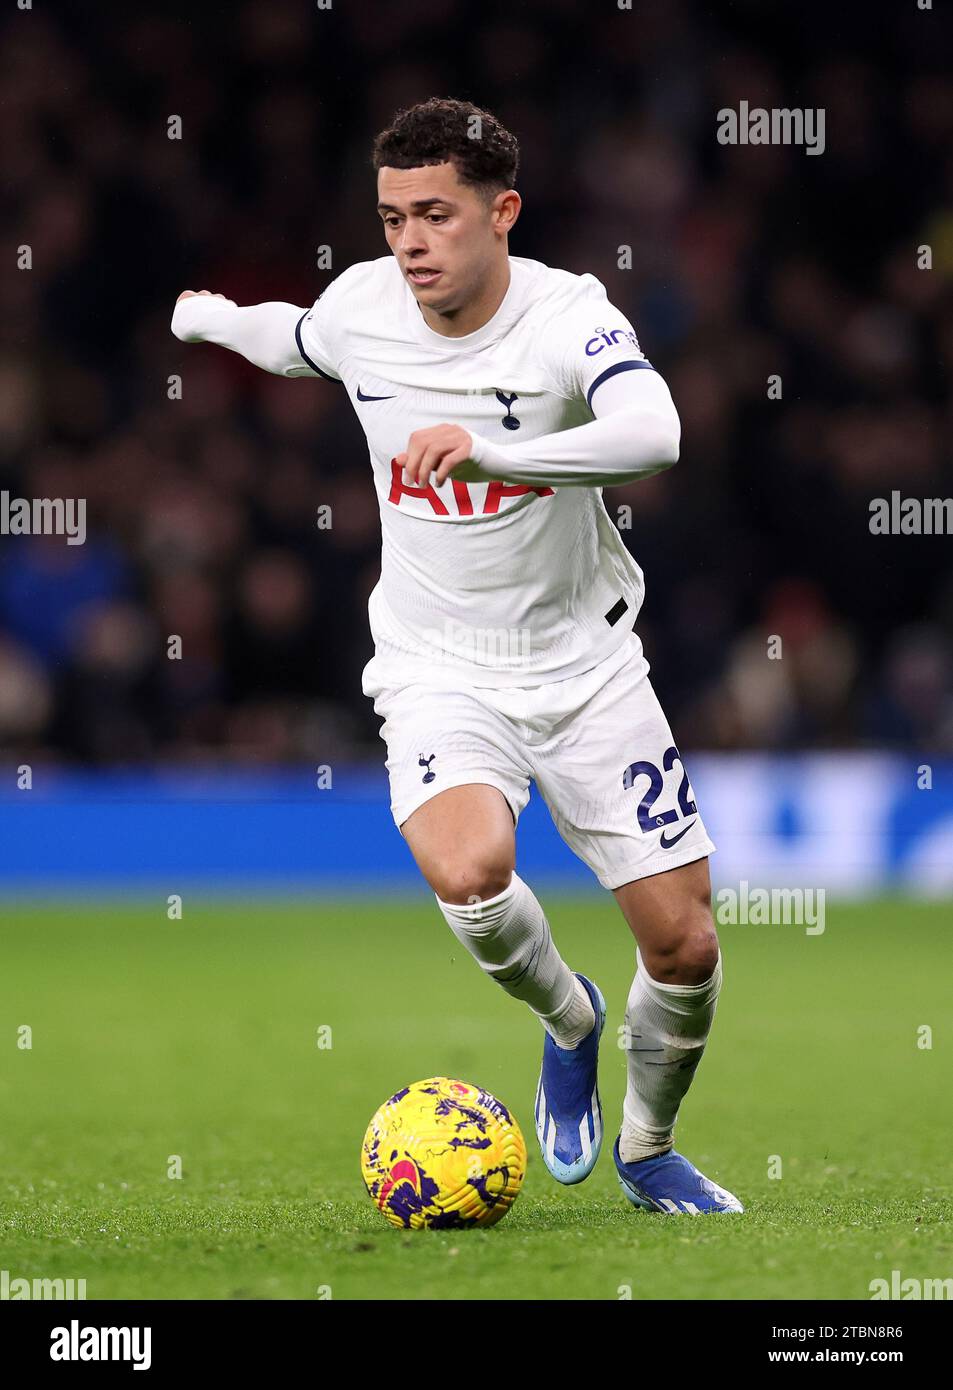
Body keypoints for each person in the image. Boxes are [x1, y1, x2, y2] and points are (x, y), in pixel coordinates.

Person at [172, 96, 742, 1215]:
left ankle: (646, 1147)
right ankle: (569, 1020)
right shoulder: (365, 308)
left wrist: (489, 452)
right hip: (437, 664)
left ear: (502, 212)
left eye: (433, 214)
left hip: (586, 666)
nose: (409, 243)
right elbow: (293, 340)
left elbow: (655, 431)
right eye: (390, 218)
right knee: (470, 869)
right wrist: (210, 318)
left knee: (682, 946)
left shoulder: (567, 316)